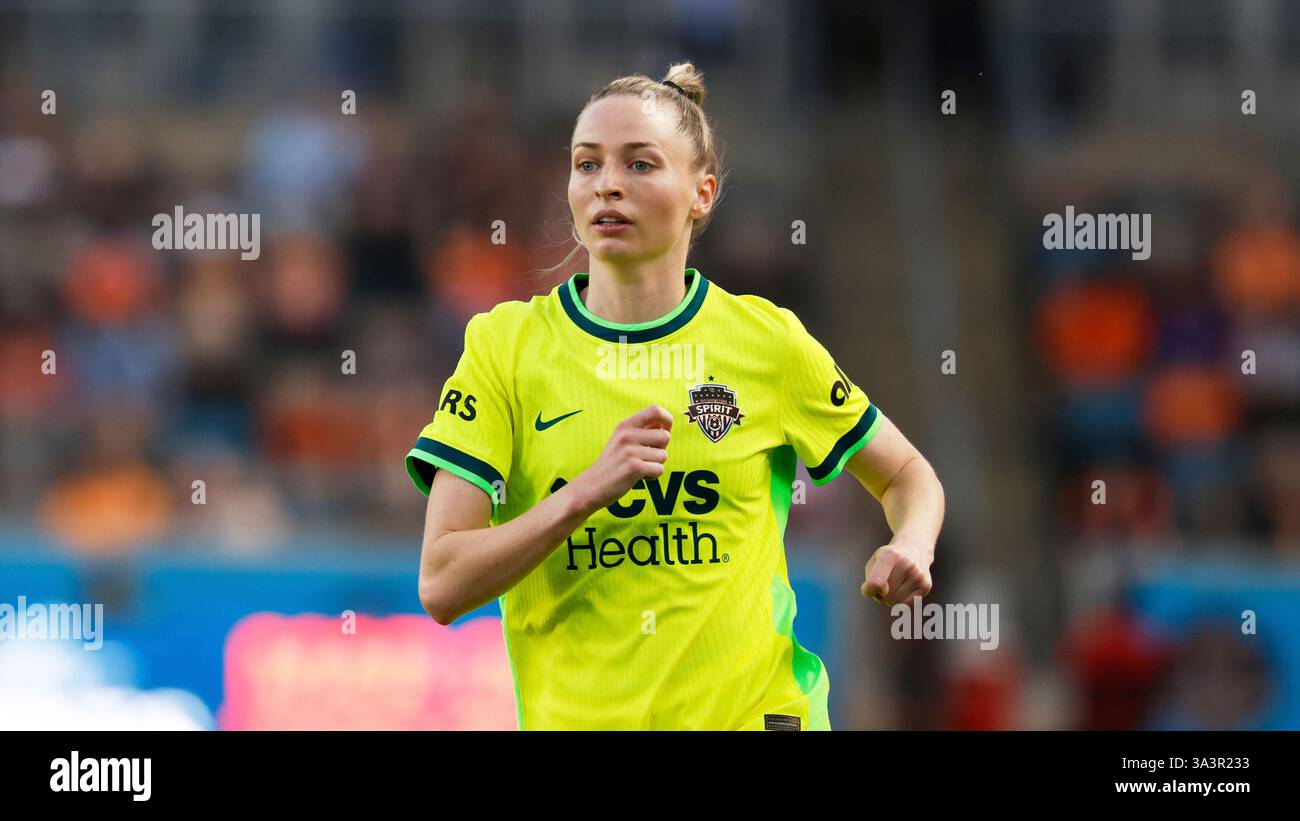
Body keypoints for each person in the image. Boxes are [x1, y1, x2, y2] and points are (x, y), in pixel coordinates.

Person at [407, 62, 945, 730]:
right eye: (587, 164)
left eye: (640, 164)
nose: (607, 184)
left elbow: (906, 473)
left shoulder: (766, 341)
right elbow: (441, 581)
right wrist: (583, 493)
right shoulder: (505, 348)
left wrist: (913, 542)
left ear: (702, 193)